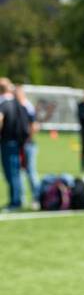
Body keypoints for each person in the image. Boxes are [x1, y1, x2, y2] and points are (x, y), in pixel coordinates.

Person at [0, 75, 29, 211]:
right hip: (18, 142)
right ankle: (17, 200)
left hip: (7, 142)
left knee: (11, 173)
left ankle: (15, 202)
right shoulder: (18, 103)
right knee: (15, 172)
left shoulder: (4, 103)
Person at [15, 85, 41, 207]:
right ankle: (21, 198)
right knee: (19, 172)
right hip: (19, 144)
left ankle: (37, 198)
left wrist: (27, 139)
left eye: (17, 94)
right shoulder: (17, 106)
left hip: (28, 144)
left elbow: (34, 126)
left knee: (30, 171)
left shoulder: (27, 107)